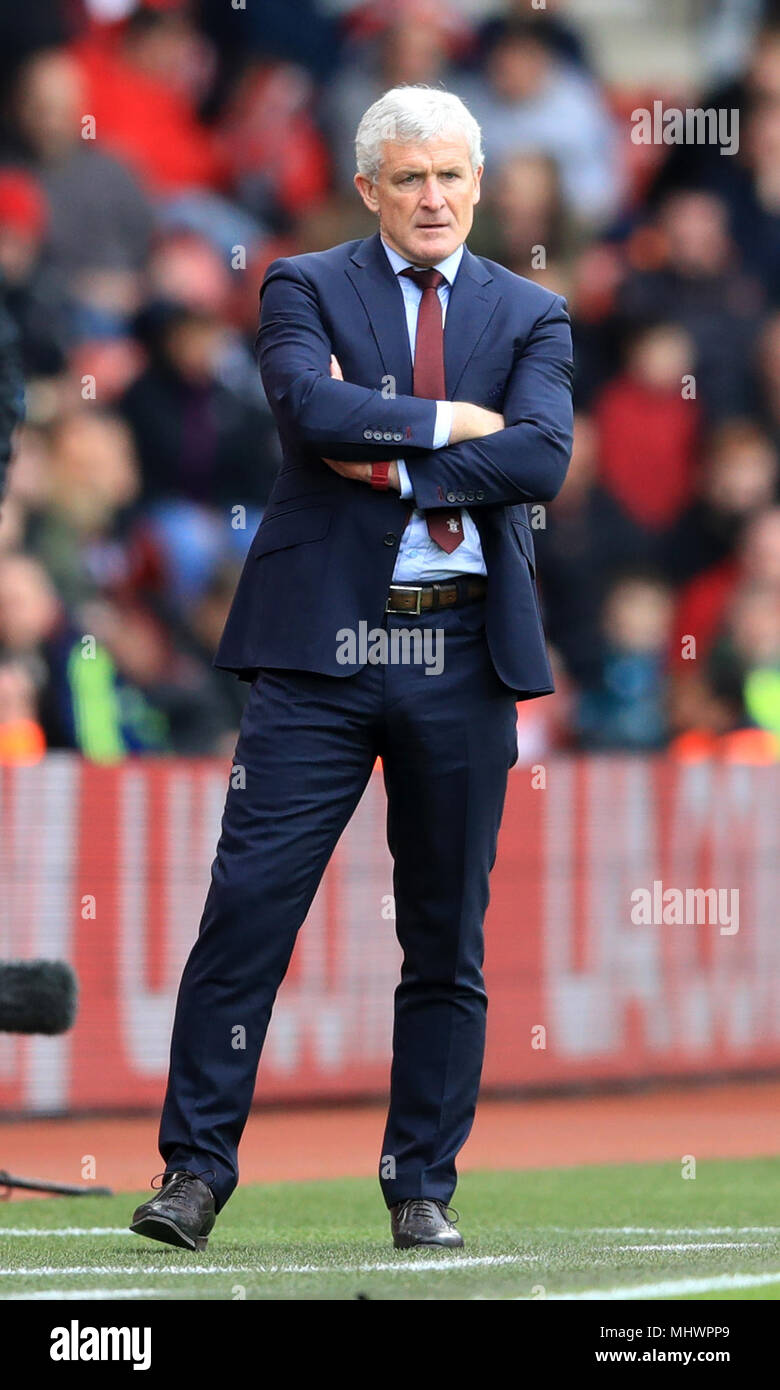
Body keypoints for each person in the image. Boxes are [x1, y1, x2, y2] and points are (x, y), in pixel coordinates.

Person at [131, 85, 573, 1253]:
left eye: (452, 177)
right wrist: (453, 426)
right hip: (317, 656)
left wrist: (394, 459)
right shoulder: (303, 281)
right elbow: (304, 405)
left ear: (478, 188)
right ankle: (193, 1173)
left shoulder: (534, 310)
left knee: (446, 939)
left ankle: (421, 1182)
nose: (433, 197)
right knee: (247, 914)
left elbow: (543, 456)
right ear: (368, 186)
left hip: (460, 651)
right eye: (410, 177)